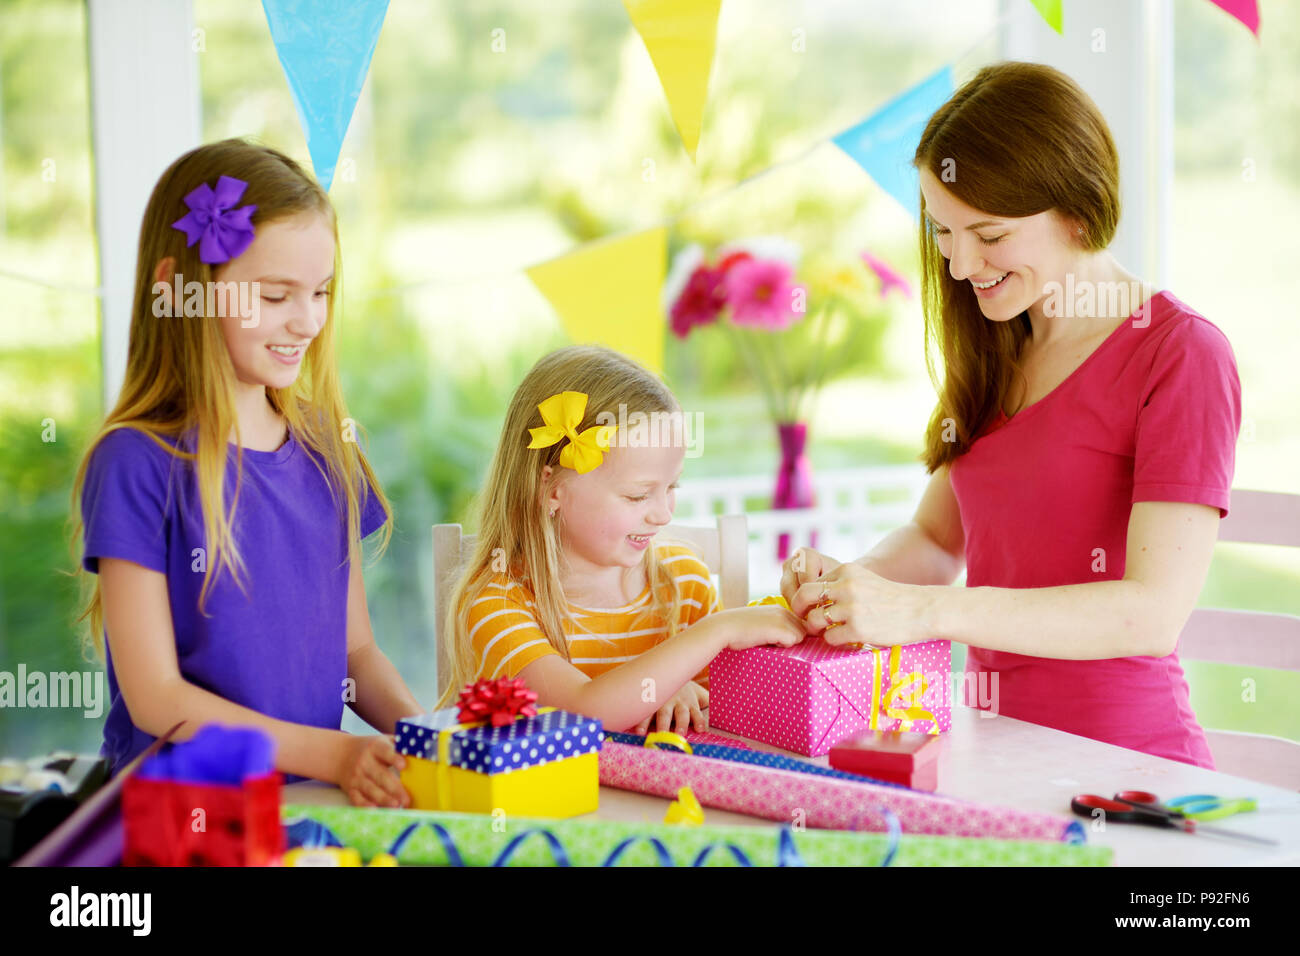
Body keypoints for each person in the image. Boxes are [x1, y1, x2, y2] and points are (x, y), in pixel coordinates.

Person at [781, 62, 1240, 769]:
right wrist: (852, 587)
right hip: (989, 749)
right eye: (942, 232)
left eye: (989, 236)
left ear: (1077, 212)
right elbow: (937, 541)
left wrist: (929, 613)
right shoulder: (998, 346)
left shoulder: (1180, 355)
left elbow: (1150, 613)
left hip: (1129, 768)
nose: (961, 265)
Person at [73, 138, 420, 805]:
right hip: (179, 817)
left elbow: (357, 657)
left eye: (320, 292)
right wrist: (337, 753)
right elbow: (157, 701)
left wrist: (425, 740)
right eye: (275, 295)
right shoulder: (135, 464)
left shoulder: (328, 447)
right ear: (185, 290)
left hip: (310, 802)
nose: (308, 320)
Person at [439, 345, 804, 734]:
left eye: (671, 487)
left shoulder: (685, 584)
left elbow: (730, 715)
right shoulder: (498, 603)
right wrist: (720, 630)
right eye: (637, 495)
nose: (663, 513)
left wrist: (683, 690)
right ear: (551, 489)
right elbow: (585, 712)